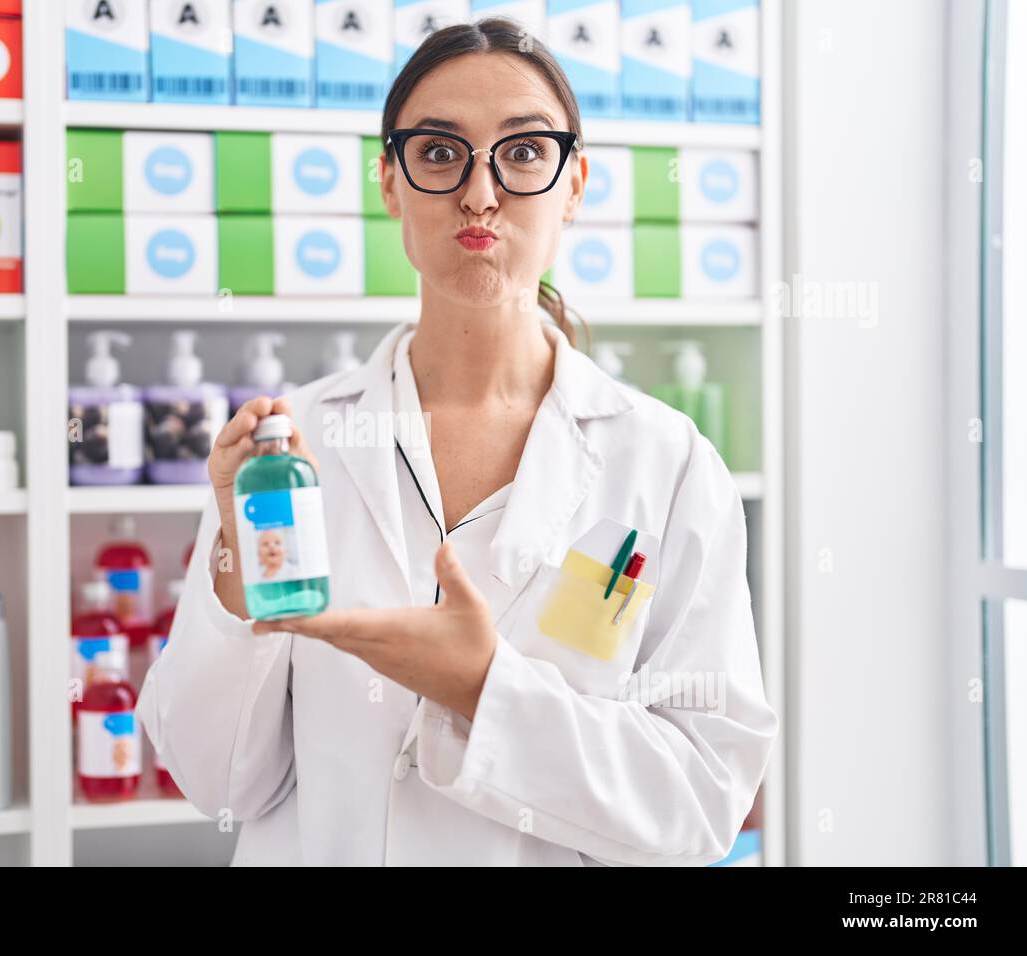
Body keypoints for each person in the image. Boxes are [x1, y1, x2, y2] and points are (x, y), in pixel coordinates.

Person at [137, 17, 778, 866]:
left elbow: (700, 805)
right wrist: (234, 580)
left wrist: (483, 691)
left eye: (521, 153)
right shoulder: (291, 448)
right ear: (390, 183)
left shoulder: (668, 465)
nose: (481, 194)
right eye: (440, 153)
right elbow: (214, 782)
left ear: (574, 183)